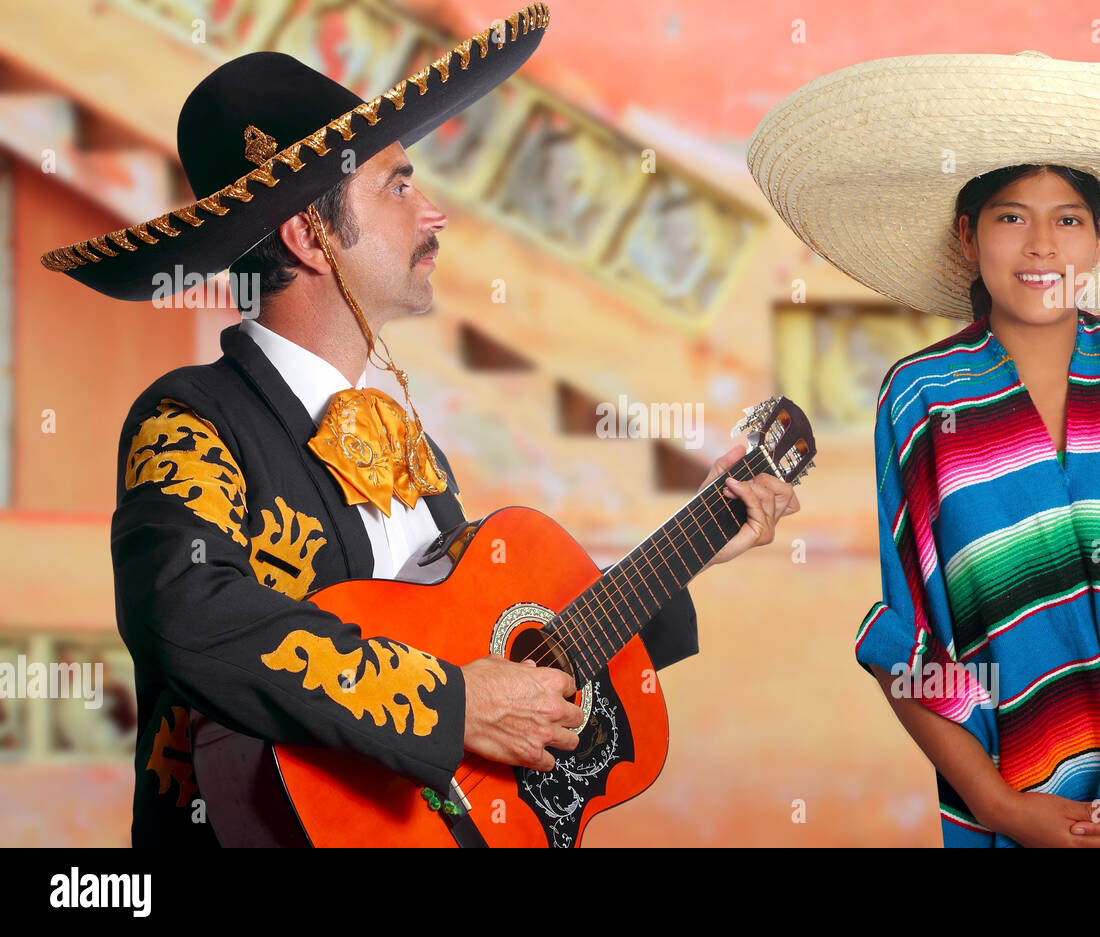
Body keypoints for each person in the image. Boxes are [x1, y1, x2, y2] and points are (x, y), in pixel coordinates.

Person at [41, 5, 799, 846]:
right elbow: (186, 612)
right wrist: (450, 704)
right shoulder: (188, 418)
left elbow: (505, 659)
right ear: (309, 233)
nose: (434, 213)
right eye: (398, 185)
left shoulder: (413, 447)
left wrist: (693, 545)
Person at [746, 51, 1100, 846]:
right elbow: (910, 640)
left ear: (1099, 238)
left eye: (1067, 218)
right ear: (967, 235)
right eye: (1009, 216)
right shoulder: (922, 397)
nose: (1040, 245)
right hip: (1023, 797)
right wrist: (998, 807)